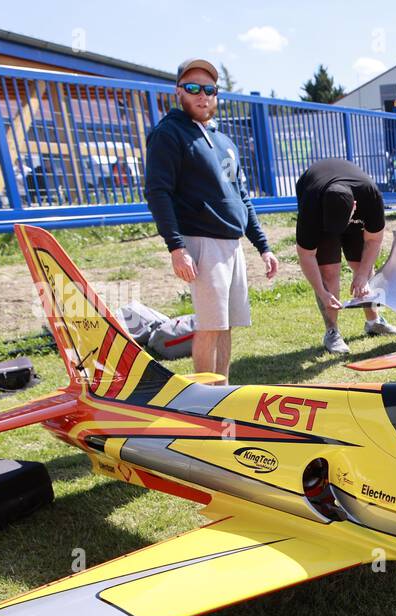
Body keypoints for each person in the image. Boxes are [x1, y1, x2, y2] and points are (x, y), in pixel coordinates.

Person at [144, 57, 279, 385]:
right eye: (193, 88)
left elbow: (242, 198)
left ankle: (222, 391)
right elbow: (157, 192)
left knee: (226, 324)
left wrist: (263, 246)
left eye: (209, 89)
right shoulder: (169, 133)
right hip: (201, 241)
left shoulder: (224, 141)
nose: (202, 95)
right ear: (179, 92)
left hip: (232, 244)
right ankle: (205, 401)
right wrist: (177, 247)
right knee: (209, 325)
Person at [294, 158, 396, 355]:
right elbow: (306, 255)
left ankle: (374, 322)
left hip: (356, 207)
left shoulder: (370, 196)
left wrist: (362, 274)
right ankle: (332, 332)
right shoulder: (312, 205)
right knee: (328, 273)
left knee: (362, 264)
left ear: (354, 206)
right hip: (318, 199)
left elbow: (374, 241)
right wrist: (322, 292)